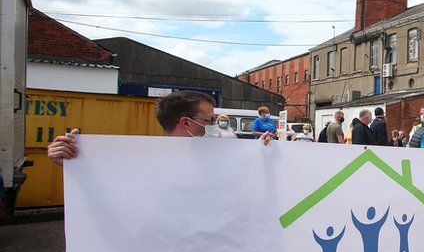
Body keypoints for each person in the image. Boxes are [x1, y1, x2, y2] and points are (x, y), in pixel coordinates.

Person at [47, 90, 272, 166]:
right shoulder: (143, 160)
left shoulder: (216, 156)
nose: (215, 126)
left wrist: (263, 152)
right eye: (209, 121)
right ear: (186, 122)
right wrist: (71, 161)